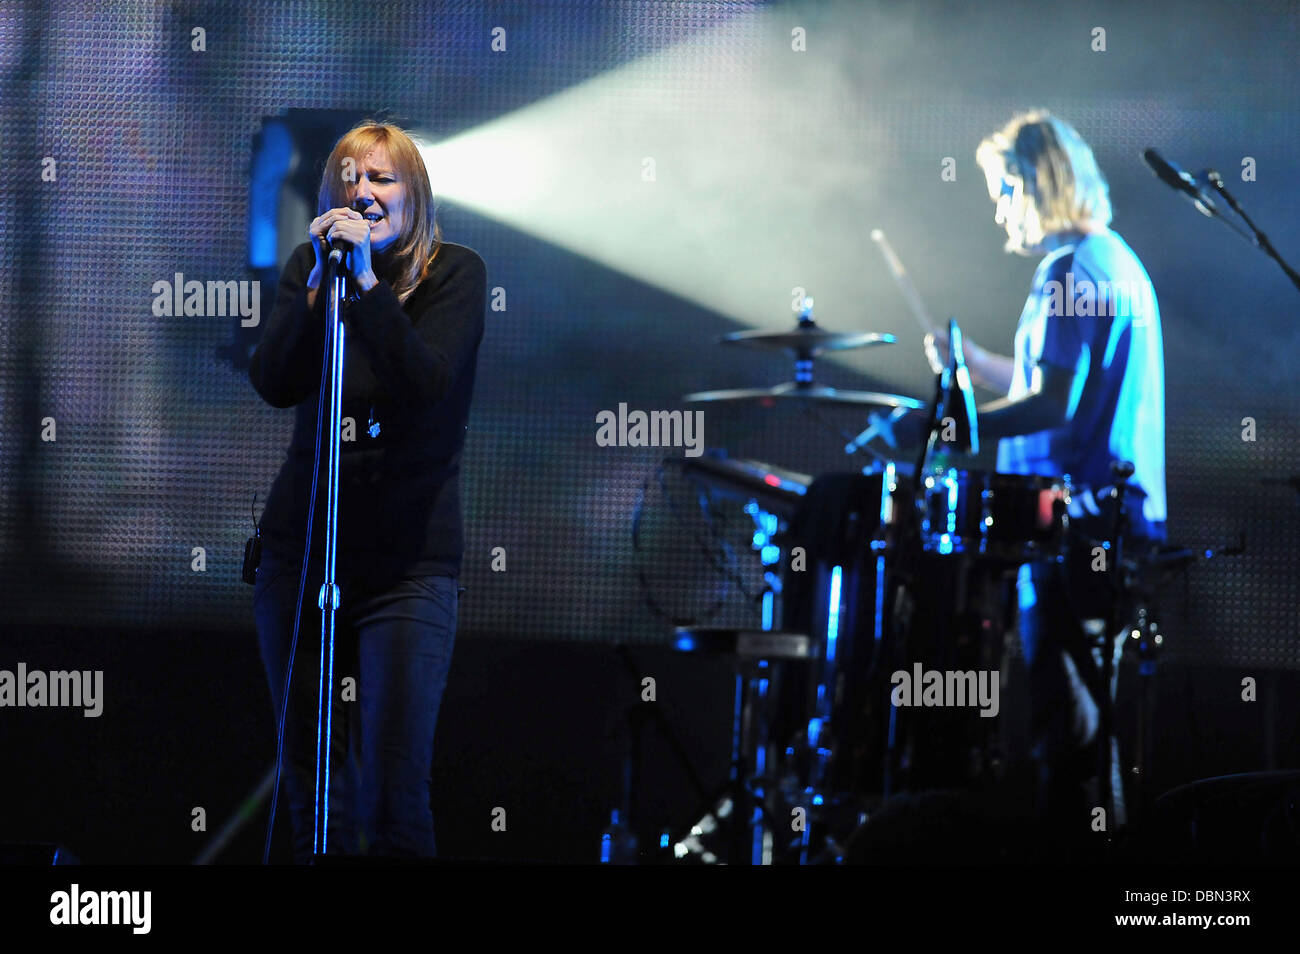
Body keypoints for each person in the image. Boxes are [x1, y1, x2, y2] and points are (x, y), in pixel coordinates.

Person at [890, 110, 1166, 852]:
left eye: (1005, 187)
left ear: (1038, 183)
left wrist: (941, 430)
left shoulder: (1067, 273)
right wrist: (977, 363)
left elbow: (1052, 402)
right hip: (1116, 528)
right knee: (1092, 735)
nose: (998, 206)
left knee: (1067, 744)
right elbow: (1057, 383)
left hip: (1069, 533)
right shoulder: (1115, 263)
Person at [248, 120, 487, 862]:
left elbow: (425, 383)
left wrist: (367, 287)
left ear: (414, 196)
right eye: (350, 178)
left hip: (406, 568)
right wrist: (321, 287)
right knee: (314, 794)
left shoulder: (456, 274)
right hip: (304, 555)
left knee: (391, 791)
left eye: (381, 179)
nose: (364, 191)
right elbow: (275, 383)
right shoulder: (308, 272)